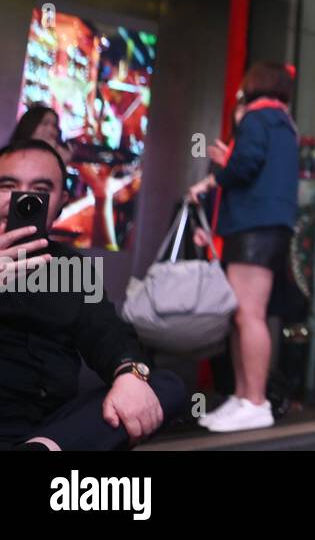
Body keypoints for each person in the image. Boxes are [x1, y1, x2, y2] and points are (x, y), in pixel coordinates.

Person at [0, 139, 187, 450]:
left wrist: (129, 372)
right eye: (7, 185)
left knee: (162, 386)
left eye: (40, 189)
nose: (22, 200)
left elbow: (107, 332)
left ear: (61, 202)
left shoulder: (71, 267)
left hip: (51, 428)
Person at [188, 62, 299, 433]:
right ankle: (243, 397)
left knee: (247, 314)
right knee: (244, 314)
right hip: (269, 227)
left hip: (252, 227)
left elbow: (245, 167)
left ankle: (253, 400)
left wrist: (221, 170)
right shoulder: (285, 124)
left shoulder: (255, 119)